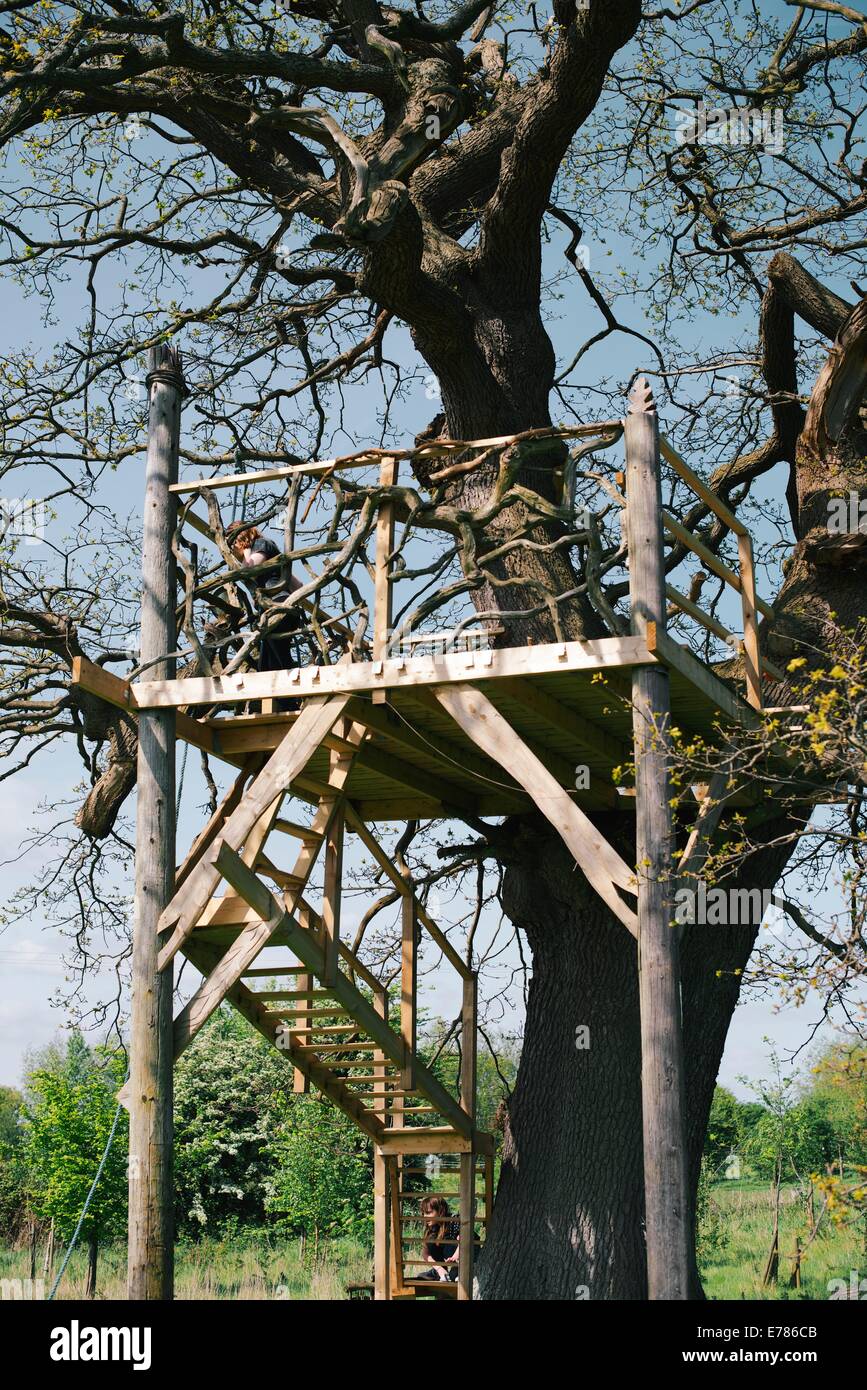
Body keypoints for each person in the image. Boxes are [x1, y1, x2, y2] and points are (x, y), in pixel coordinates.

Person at [226, 521, 304, 675]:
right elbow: (298, 585)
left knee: (279, 662)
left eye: (232, 543)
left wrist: (247, 551)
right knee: (268, 664)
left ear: (240, 538)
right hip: (274, 609)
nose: (231, 549)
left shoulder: (261, 544)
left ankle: (289, 693)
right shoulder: (269, 551)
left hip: (277, 605)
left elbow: (250, 570)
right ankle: (284, 697)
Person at [418, 1195, 460, 1282]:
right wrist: (439, 1269)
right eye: (423, 1213)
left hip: (463, 1258)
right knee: (431, 1242)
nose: (425, 1216)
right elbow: (425, 1253)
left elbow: (464, 1242)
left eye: (428, 1212)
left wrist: (455, 1257)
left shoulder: (454, 1221)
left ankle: (457, 1271)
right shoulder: (431, 1228)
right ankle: (440, 1273)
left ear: (440, 1211)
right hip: (448, 1260)